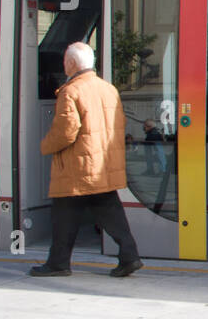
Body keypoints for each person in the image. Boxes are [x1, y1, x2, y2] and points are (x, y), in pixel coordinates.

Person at [30, 42, 142, 277]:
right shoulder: (108, 89)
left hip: (77, 166)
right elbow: (119, 124)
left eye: (65, 61)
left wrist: (44, 145)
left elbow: (66, 132)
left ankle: (58, 264)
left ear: (71, 63)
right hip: (103, 164)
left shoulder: (71, 91)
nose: (64, 65)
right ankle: (129, 255)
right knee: (110, 211)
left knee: (63, 215)